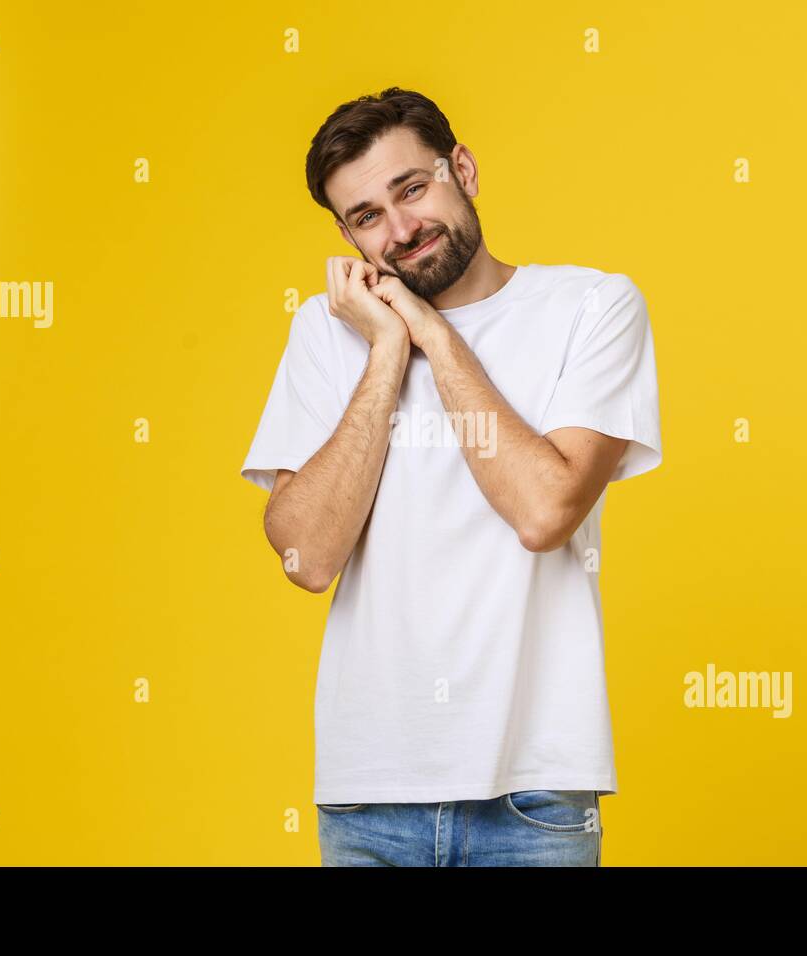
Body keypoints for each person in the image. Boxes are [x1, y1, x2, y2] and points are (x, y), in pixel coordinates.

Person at [241, 87, 662, 866]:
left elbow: (544, 512)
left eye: (413, 188)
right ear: (346, 235)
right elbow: (308, 555)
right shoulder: (327, 332)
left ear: (461, 168)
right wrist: (385, 353)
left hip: (532, 798)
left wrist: (433, 333)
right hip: (368, 795)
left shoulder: (593, 307)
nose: (401, 230)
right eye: (367, 216)